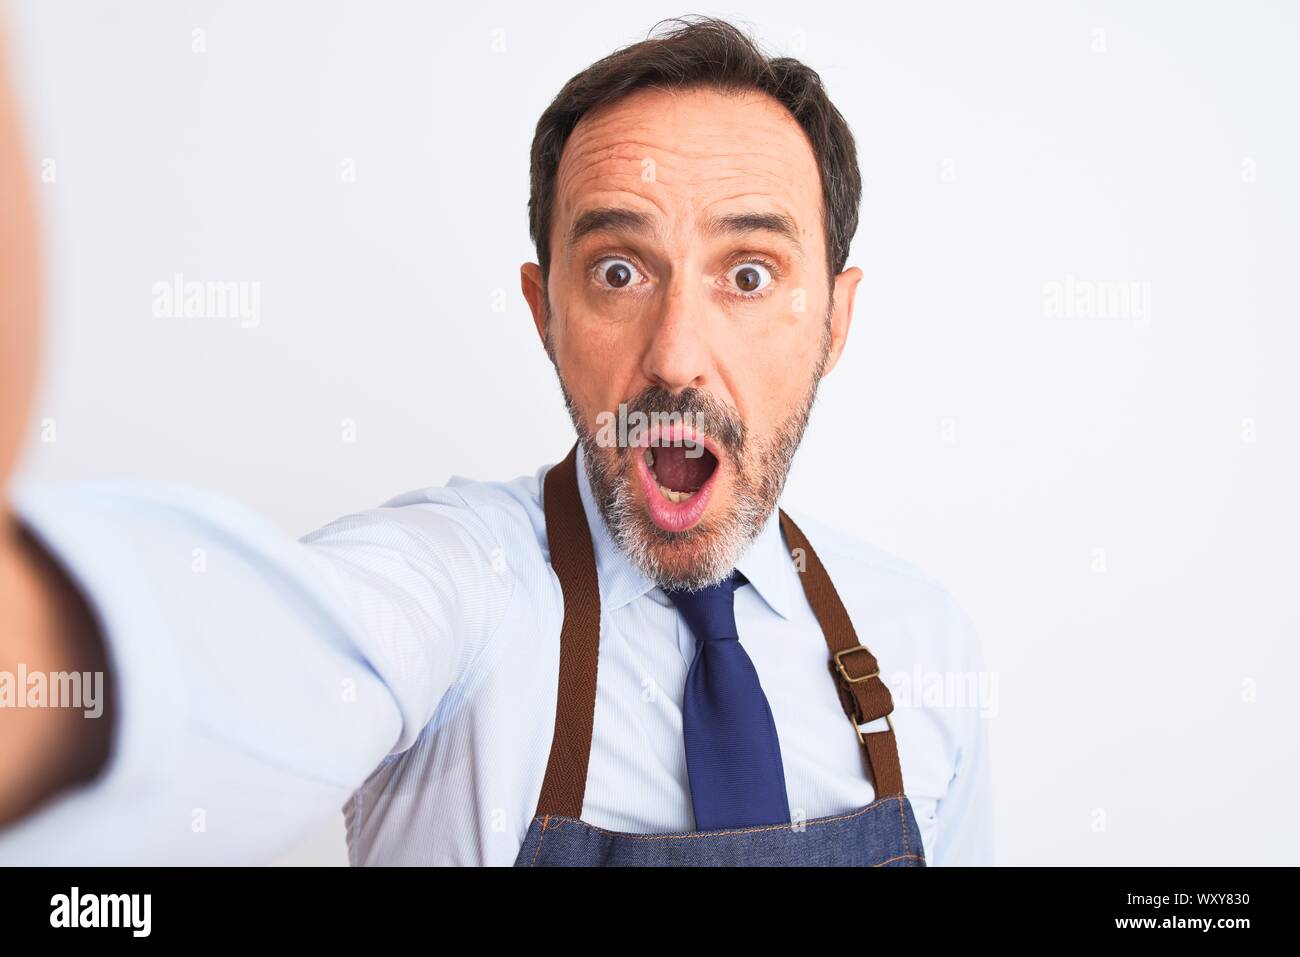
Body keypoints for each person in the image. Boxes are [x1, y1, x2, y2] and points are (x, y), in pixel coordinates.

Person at [0, 16, 992, 865]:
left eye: (747, 274)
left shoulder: (920, 646)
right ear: (543, 311)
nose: (677, 356)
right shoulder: (455, 589)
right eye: (616, 271)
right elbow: (236, 655)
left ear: (835, 320)